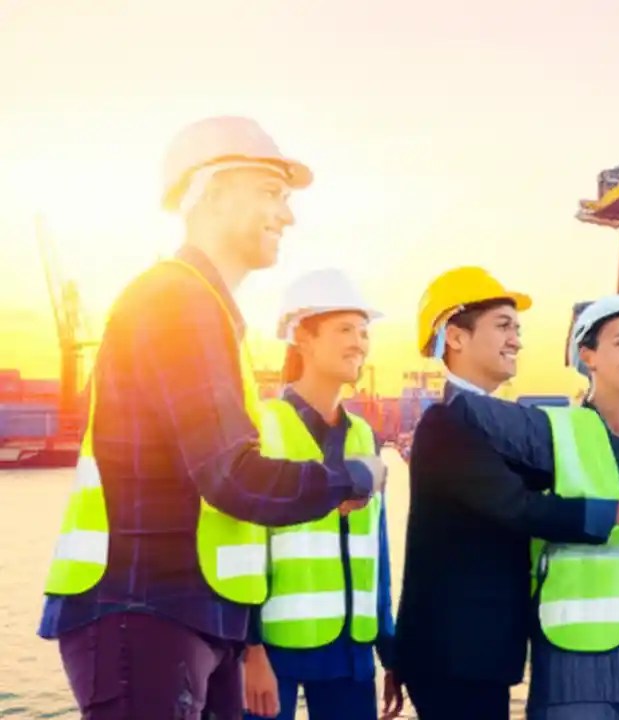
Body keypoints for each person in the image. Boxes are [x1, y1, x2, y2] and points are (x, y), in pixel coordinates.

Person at [38, 116, 385, 719]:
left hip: (192, 615)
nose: (287, 215)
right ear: (214, 191)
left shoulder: (208, 311)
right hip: (144, 611)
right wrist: (355, 477)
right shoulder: (178, 301)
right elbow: (233, 477)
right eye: (272, 192)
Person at [394, 269, 619, 719]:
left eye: (517, 329)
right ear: (455, 337)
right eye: (503, 326)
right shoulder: (447, 423)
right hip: (453, 653)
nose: (516, 340)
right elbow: (520, 509)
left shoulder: (505, 427)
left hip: (482, 653)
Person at [241, 268, 404, 720]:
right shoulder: (262, 428)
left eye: (364, 331)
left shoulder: (364, 435)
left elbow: (376, 552)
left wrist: (388, 648)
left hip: (351, 652)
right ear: (303, 338)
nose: (359, 342)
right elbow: (241, 549)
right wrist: (248, 651)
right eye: (345, 329)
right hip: (274, 652)